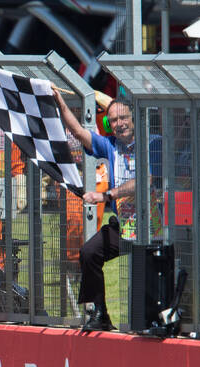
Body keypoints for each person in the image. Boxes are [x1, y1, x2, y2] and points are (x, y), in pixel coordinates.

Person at [53, 89, 144, 332]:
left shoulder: (150, 143)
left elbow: (144, 180)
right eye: (113, 120)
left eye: (123, 118)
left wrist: (106, 195)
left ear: (134, 118)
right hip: (124, 224)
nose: (119, 124)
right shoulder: (111, 145)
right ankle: (100, 312)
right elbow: (79, 132)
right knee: (90, 251)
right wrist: (60, 103)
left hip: (149, 225)